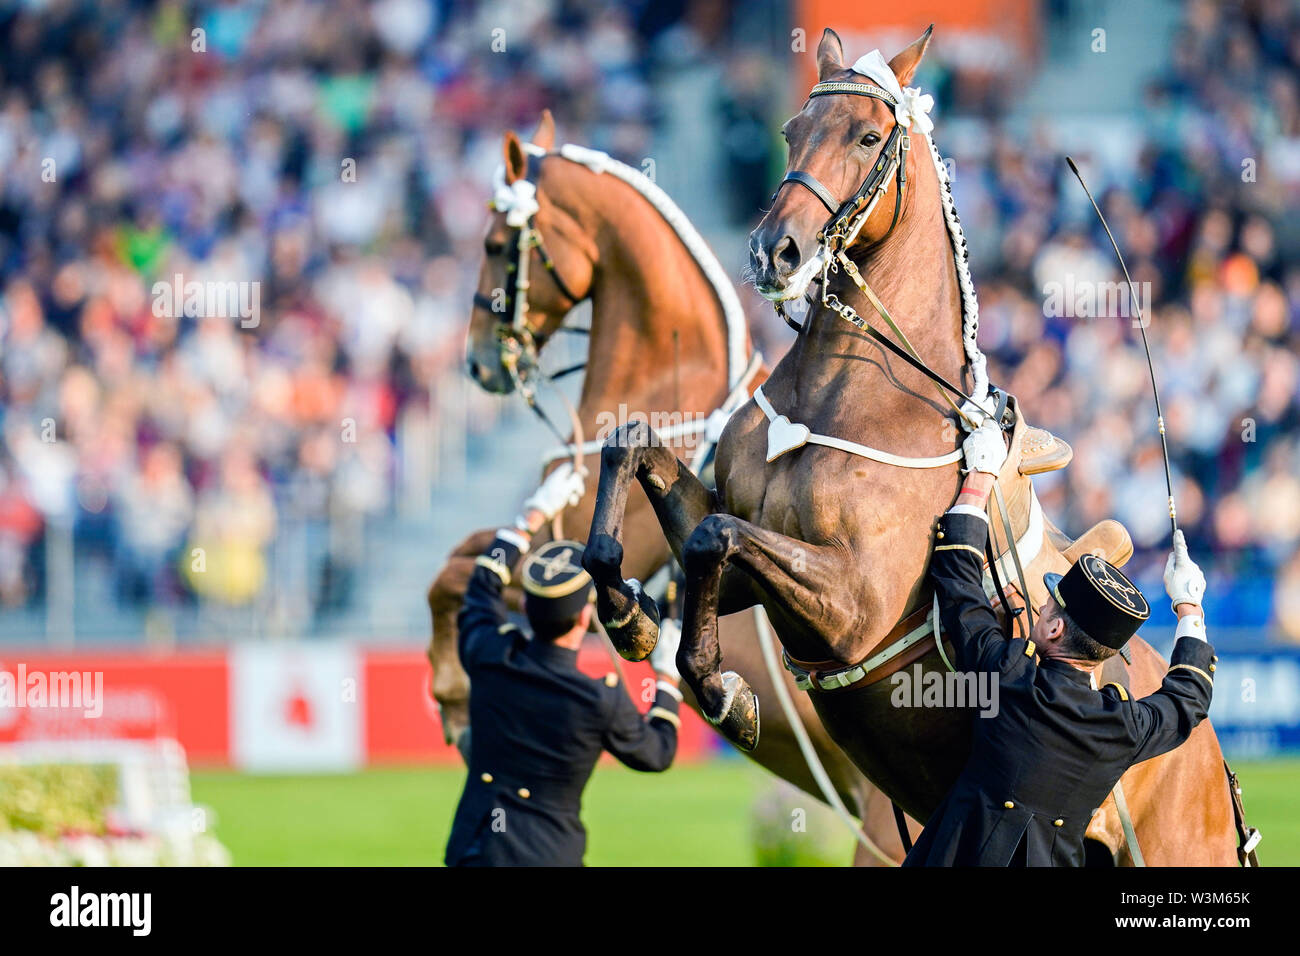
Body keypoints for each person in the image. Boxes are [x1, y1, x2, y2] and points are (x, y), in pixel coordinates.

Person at [903, 419, 1216, 867]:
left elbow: (959, 584)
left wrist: (979, 478)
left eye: (1047, 609)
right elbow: (1189, 699)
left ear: (1053, 631)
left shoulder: (1009, 677)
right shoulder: (1122, 726)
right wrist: (1190, 606)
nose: (1040, 612)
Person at [443, 463, 684, 867]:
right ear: (584, 619)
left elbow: (482, 586)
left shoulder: (488, 652)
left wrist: (530, 516)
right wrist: (666, 678)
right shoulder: (597, 700)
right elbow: (657, 752)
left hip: (476, 850)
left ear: (524, 605)